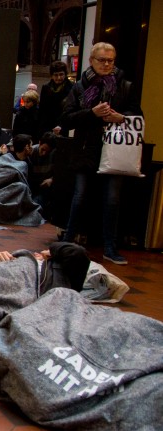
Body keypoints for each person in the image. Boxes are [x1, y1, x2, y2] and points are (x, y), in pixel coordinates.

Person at [60, 42, 142, 265]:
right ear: (91, 61)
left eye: (110, 60)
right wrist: (92, 113)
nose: (106, 64)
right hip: (86, 150)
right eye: (102, 60)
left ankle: (110, 247)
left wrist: (121, 117)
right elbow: (66, 118)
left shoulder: (125, 86)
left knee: (112, 200)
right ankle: (67, 241)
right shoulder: (79, 87)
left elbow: (137, 115)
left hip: (115, 151)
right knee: (79, 197)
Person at [39, 61, 73, 135]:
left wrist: (62, 125)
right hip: (47, 127)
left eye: (61, 74)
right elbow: (42, 109)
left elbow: (71, 110)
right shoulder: (46, 87)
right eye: (56, 75)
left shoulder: (72, 87)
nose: (59, 78)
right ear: (51, 76)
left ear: (65, 74)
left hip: (64, 126)